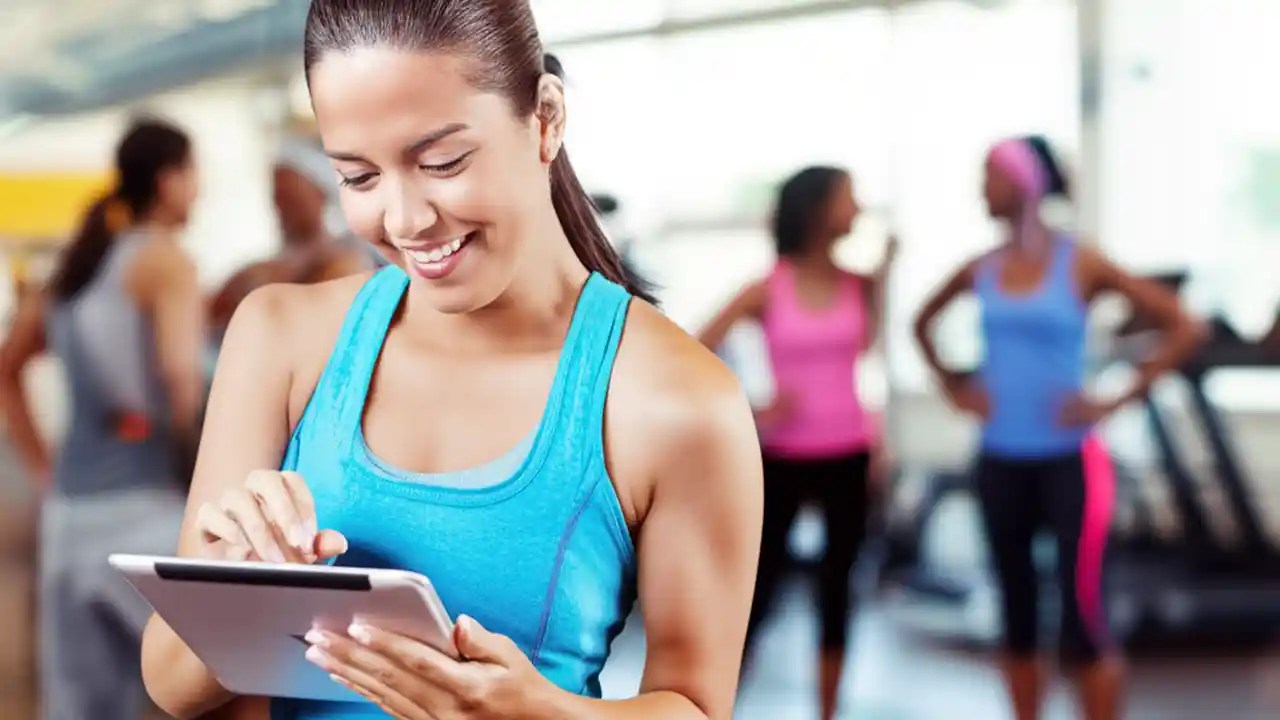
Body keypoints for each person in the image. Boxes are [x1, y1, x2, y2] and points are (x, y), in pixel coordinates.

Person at [140, 1, 762, 719]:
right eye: (359, 178)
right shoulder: (281, 337)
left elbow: (694, 704)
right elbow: (170, 681)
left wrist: (546, 714)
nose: (404, 220)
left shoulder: (676, 400)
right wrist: (236, 578)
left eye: (443, 162)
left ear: (547, 119)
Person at [913, 136, 1203, 720]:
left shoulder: (1082, 261)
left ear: (1024, 182)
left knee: (1082, 617)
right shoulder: (982, 268)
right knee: (1017, 614)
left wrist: (1114, 399)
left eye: (989, 175)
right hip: (999, 460)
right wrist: (954, 385)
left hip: (1068, 460)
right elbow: (920, 323)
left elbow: (1183, 325)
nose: (980, 189)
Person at [0, 117, 205, 720]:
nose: (198, 192)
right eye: (194, 178)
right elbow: (181, 388)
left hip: (69, 514)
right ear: (169, 181)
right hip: (145, 514)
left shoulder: (79, 264)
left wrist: (43, 469)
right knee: (214, 689)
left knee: (83, 709)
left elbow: (6, 368)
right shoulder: (166, 261)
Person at [698, 166, 894, 720]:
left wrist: (880, 442)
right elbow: (691, 351)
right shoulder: (768, 287)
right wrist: (752, 408)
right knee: (759, 589)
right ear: (816, 210)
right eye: (848, 199)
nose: (857, 209)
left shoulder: (863, 285)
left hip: (850, 451)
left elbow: (872, 360)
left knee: (837, 592)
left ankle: (829, 712)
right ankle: (719, 707)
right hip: (782, 455)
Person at [208, 138, 372, 338]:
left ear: (319, 194)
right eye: (278, 197)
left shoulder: (349, 259)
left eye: (292, 198)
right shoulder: (254, 272)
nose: (282, 208)